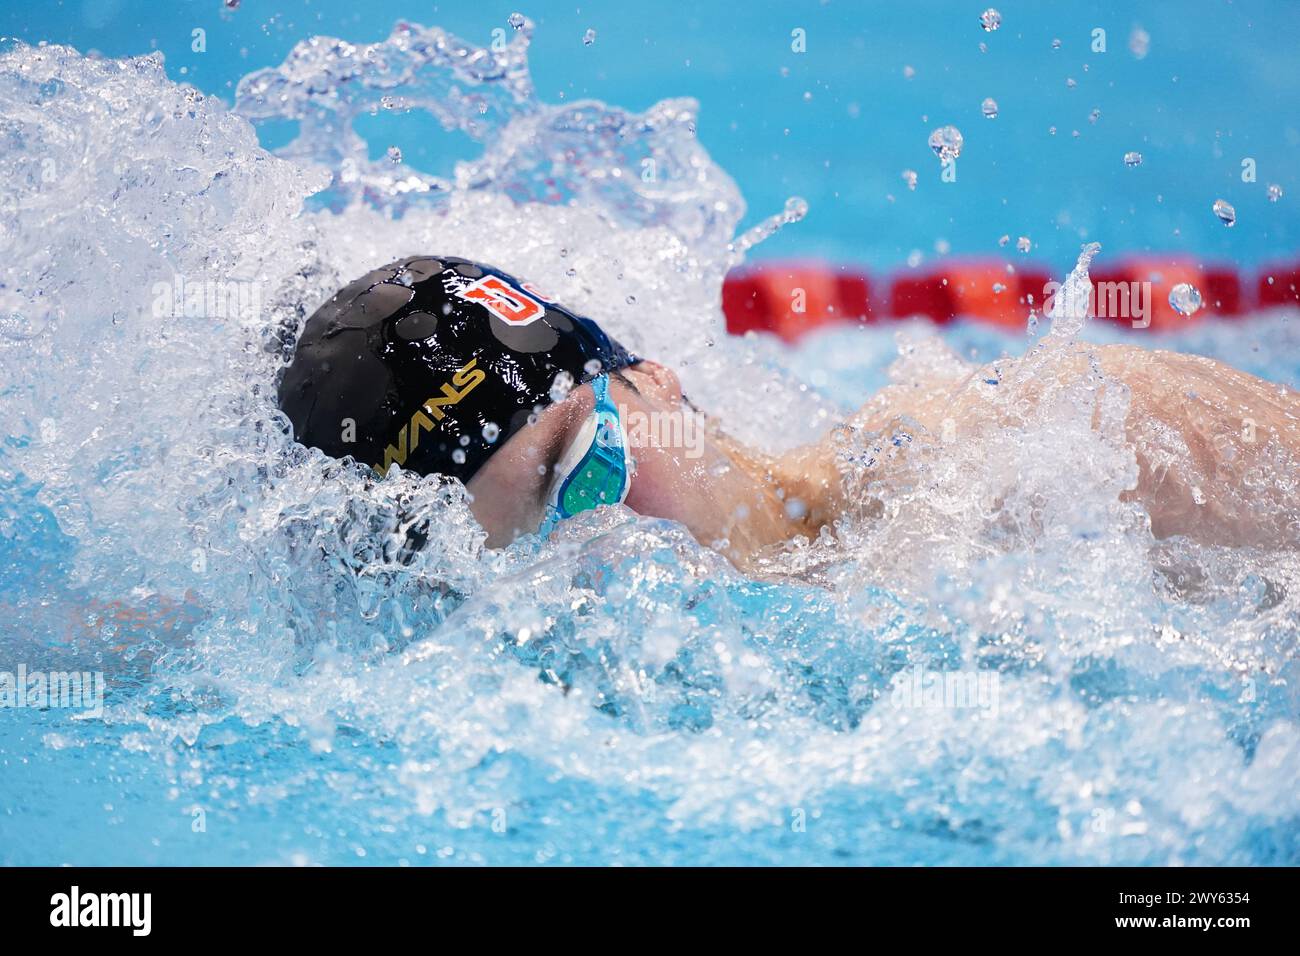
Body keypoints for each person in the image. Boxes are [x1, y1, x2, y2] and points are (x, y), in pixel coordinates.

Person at [278, 256, 1300, 571]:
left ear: (652, 382)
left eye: (584, 467)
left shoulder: (1044, 448)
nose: (616, 551)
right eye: (537, 545)